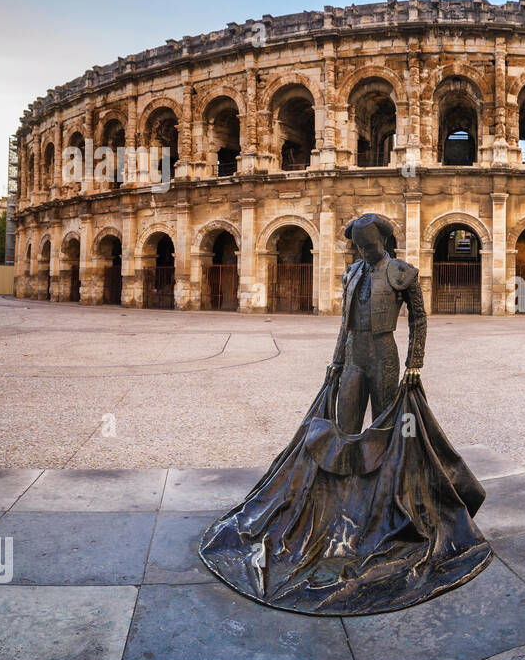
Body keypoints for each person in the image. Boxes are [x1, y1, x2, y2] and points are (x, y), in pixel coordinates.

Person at [200, 213, 491, 616]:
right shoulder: (352, 272)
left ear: (384, 243)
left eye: (368, 245)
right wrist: (336, 362)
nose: (362, 251)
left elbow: (420, 321)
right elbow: (345, 323)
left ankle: (389, 501)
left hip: (385, 356)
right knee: (342, 431)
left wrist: (415, 363)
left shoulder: (403, 273)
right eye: (358, 245)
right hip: (354, 357)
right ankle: (341, 508)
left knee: (389, 431)